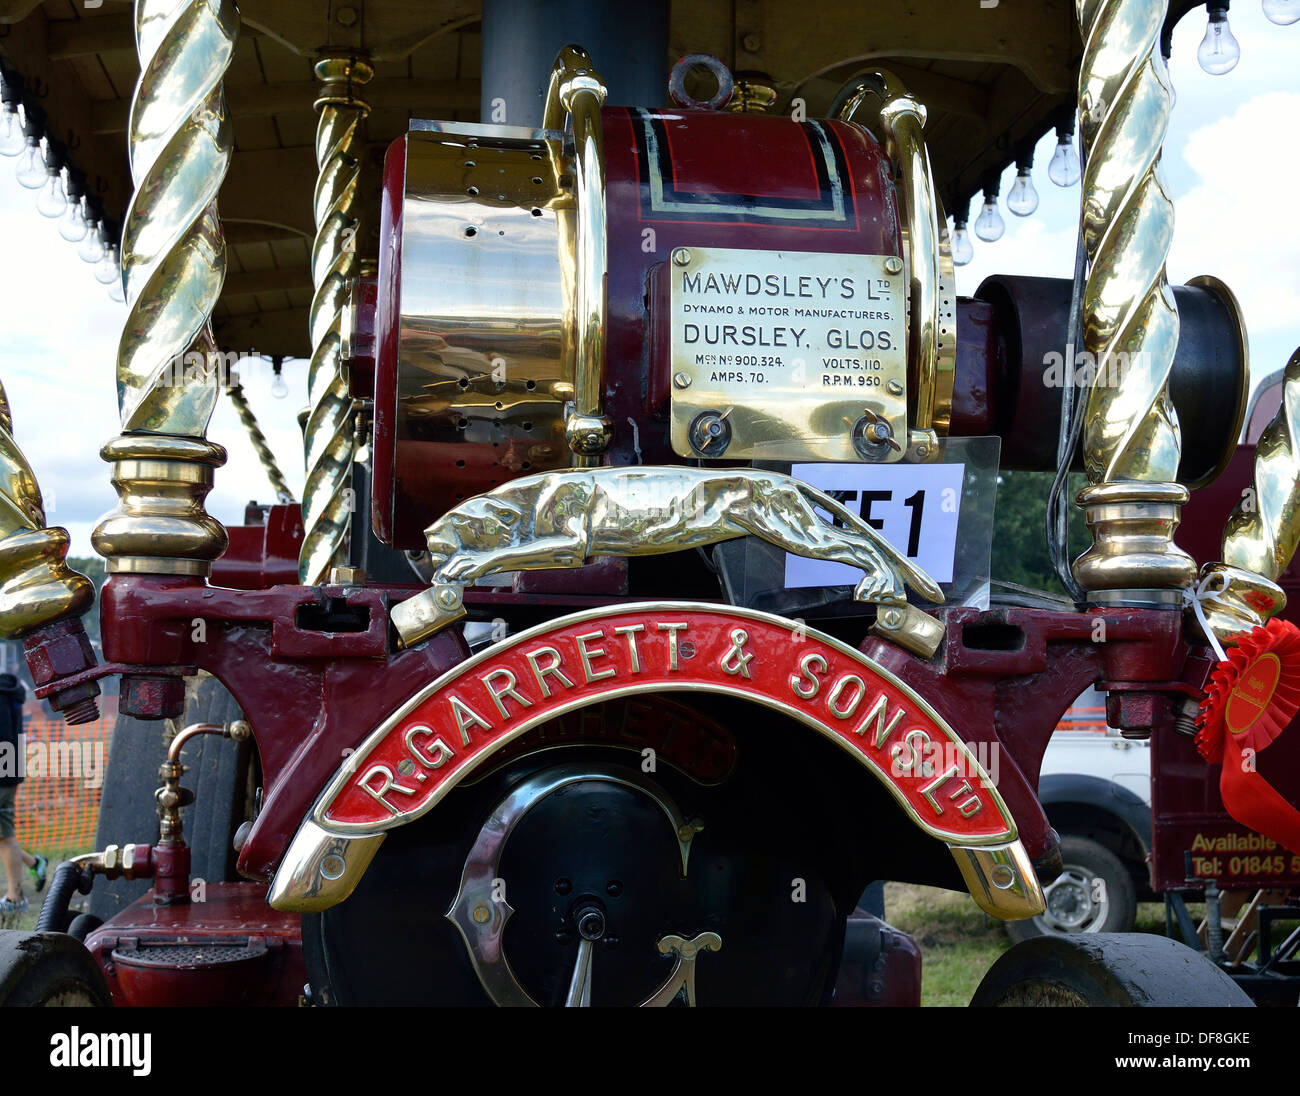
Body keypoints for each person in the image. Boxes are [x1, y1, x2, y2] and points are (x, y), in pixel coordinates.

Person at [0, 671, 45, 915]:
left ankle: (15, 899)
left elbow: (3, 736)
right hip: (8, 768)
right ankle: (34, 863)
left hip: (2, 773)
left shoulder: (1, 693)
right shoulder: (7, 691)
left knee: (5, 837)